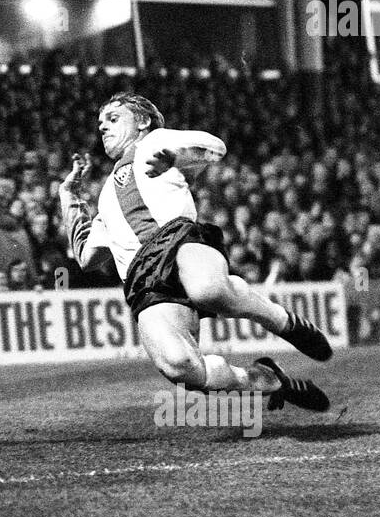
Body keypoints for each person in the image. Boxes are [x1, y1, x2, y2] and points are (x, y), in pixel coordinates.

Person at [58, 92, 331, 413]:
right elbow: (87, 257)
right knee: (180, 366)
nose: (102, 127)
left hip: (177, 242)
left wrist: (175, 156)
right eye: (100, 123)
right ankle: (270, 382)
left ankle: (283, 322)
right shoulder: (104, 198)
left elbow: (214, 146)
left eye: (113, 119)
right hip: (143, 280)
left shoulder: (156, 142)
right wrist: (69, 196)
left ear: (142, 121)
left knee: (209, 289)